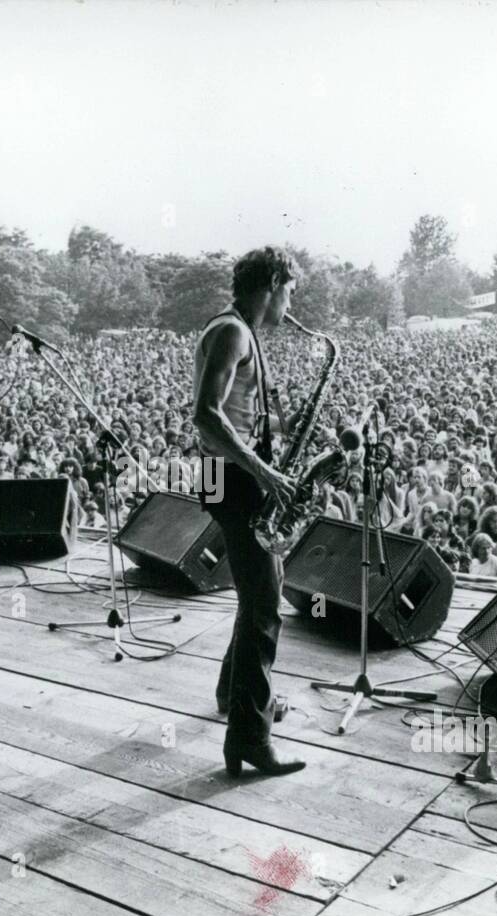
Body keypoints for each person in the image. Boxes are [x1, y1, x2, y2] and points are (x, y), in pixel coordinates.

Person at [193, 246, 306, 777]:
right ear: (274, 283)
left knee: (255, 598)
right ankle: (249, 739)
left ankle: (231, 695)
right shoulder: (233, 332)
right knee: (265, 606)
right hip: (233, 480)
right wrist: (266, 472)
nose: (292, 300)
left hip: (229, 477)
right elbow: (207, 415)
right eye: (290, 288)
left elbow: (232, 413)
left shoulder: (237, 328)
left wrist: (278, 435)